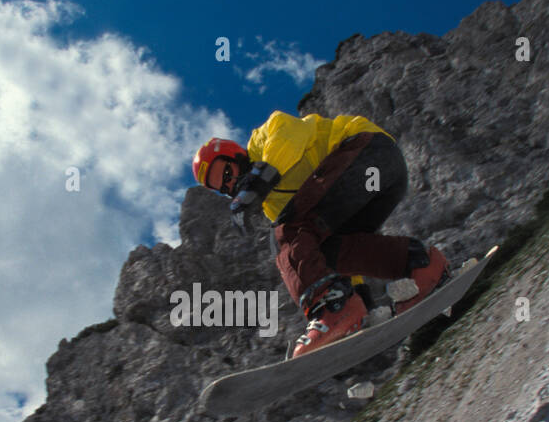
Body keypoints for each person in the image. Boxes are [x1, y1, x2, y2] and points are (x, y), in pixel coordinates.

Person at [192, 111, 450, 357]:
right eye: (224, 188)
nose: (231, 185)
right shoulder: (273, 205)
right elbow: (307, 248)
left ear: (236, 156)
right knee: (322, 248)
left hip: (369, 154)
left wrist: (255, 184)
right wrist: (359, 295)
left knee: (285, 232)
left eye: (227, 174)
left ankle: (333, 308)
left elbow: (288, 140)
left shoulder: (266, 136)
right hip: (374, 188)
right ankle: (422, 265)